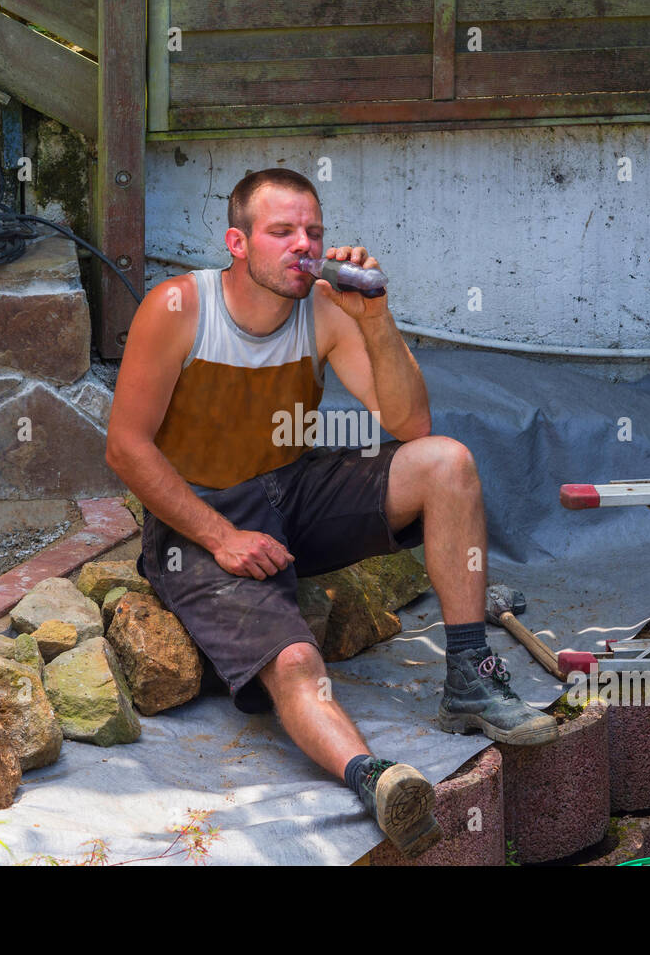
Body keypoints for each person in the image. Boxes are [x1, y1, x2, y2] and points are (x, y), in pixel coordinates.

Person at [105, 168, 557, 859]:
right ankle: (377, 778)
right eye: (281, 232)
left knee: (448, 462)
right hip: (203, 516)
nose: (303, 246)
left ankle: (469, 674)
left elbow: (411, 423)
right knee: (292, 657)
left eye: (312, 232)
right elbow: (126, 449)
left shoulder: (325, 309)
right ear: (237, 241)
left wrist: (376, 321)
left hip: (294, 490)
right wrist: (220, 536)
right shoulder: (178, 309)